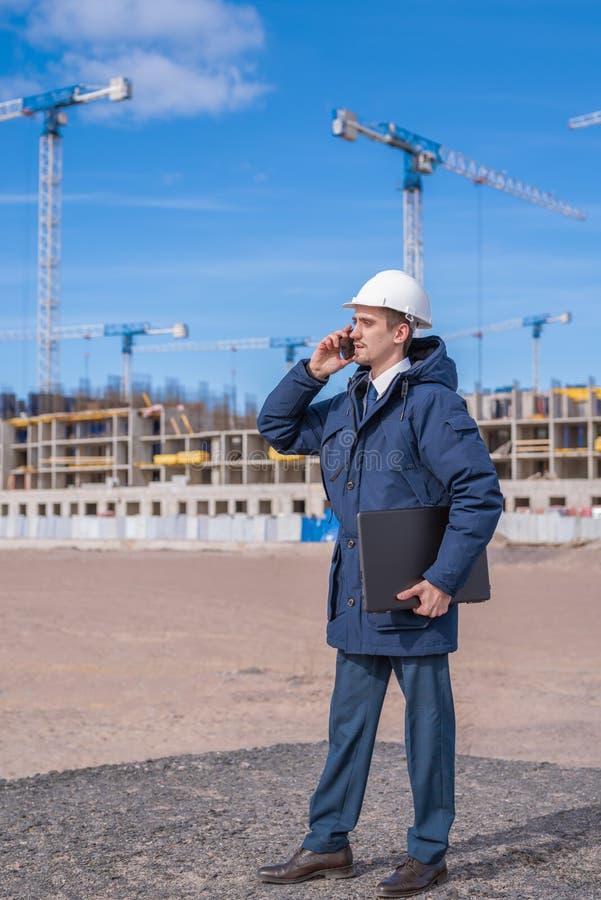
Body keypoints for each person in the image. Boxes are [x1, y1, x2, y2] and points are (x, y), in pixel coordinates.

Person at [256, 270, 503, 897]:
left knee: (428, 732)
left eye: (366, 322)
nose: (353, 331)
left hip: (416, 596)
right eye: (354, 320)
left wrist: (443, 580)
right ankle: (327, 844)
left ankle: (428, 854)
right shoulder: (346, 402)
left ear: (402, 331)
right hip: (356, 594)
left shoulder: (433, 404)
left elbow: (478, 495)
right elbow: (277, 429)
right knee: (348, 727)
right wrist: (314, 372)